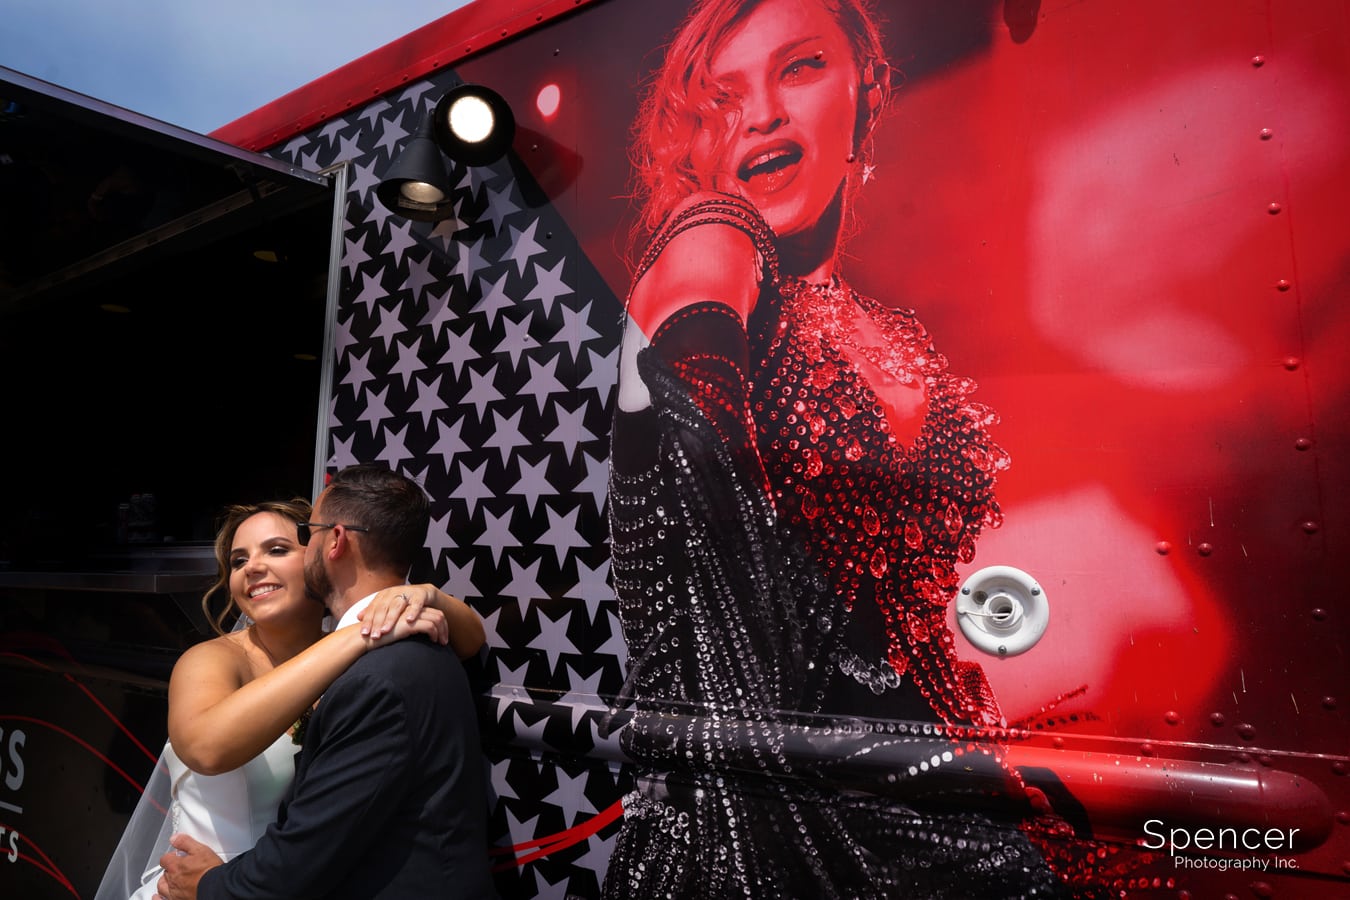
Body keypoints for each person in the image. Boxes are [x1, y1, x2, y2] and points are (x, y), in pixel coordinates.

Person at [604, 0, 1072, 896]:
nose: (763, 115)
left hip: (922, 768)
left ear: (867, 88)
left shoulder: (891, 331)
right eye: (721, 97)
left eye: (801, 67)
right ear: (694, 144)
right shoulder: (712, 236)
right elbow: (692, 453)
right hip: (761, 797)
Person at [95, 496, 486, 900]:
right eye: (238, 561)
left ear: (320, 556)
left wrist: (427, 596)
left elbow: (471, 641)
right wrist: (360, 635)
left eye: (277, 550)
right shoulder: (211, 659)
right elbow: (204, 747)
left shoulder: (359, 664)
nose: (252, 568)